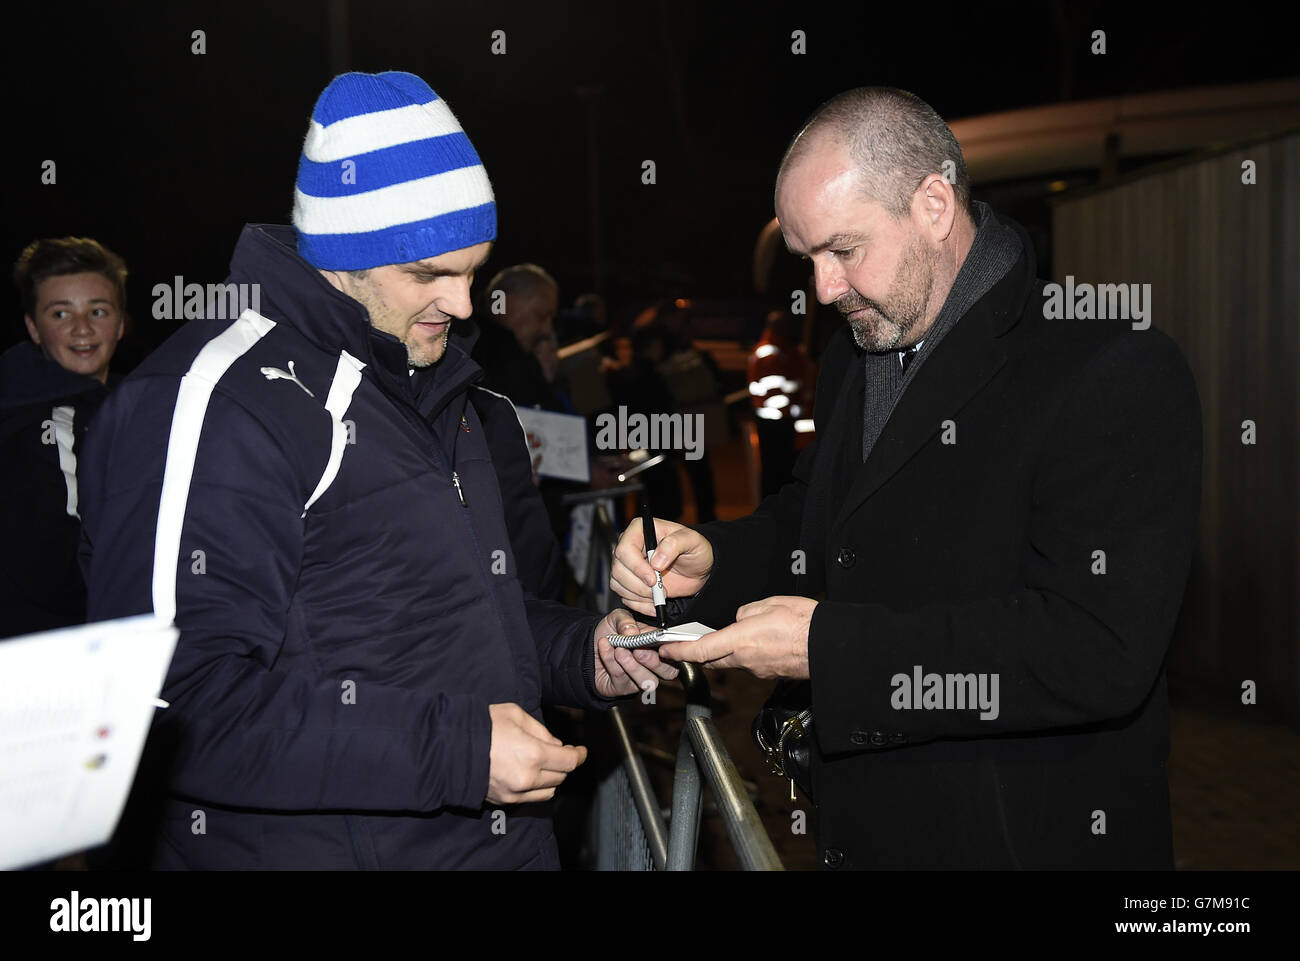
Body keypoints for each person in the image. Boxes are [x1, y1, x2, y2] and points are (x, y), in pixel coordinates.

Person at [78, 71, 673, 870]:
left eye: (475, 270)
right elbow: (167, 706)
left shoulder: (425, 373)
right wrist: (457, 751)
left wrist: (586, 650)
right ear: (343, 256)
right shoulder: (211, 401)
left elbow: (454, 614)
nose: (465, 306)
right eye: (430, 275)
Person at [611, 87, 1202, 870]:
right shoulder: (857, 355)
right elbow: (818, 526)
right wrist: (713, 560)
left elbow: (1095, 650)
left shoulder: (1110, 364)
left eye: (844, 250)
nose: (822, 289)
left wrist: (832, 649)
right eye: (809, 259)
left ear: (932, 203)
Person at [2, 237, 126, 638]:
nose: (82, 328)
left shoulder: (132, 404)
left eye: (98, 310)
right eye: (60, 313)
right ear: (33, 328)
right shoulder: (41, 419)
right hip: (56, 655)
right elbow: (55, 572)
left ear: (121, 323)